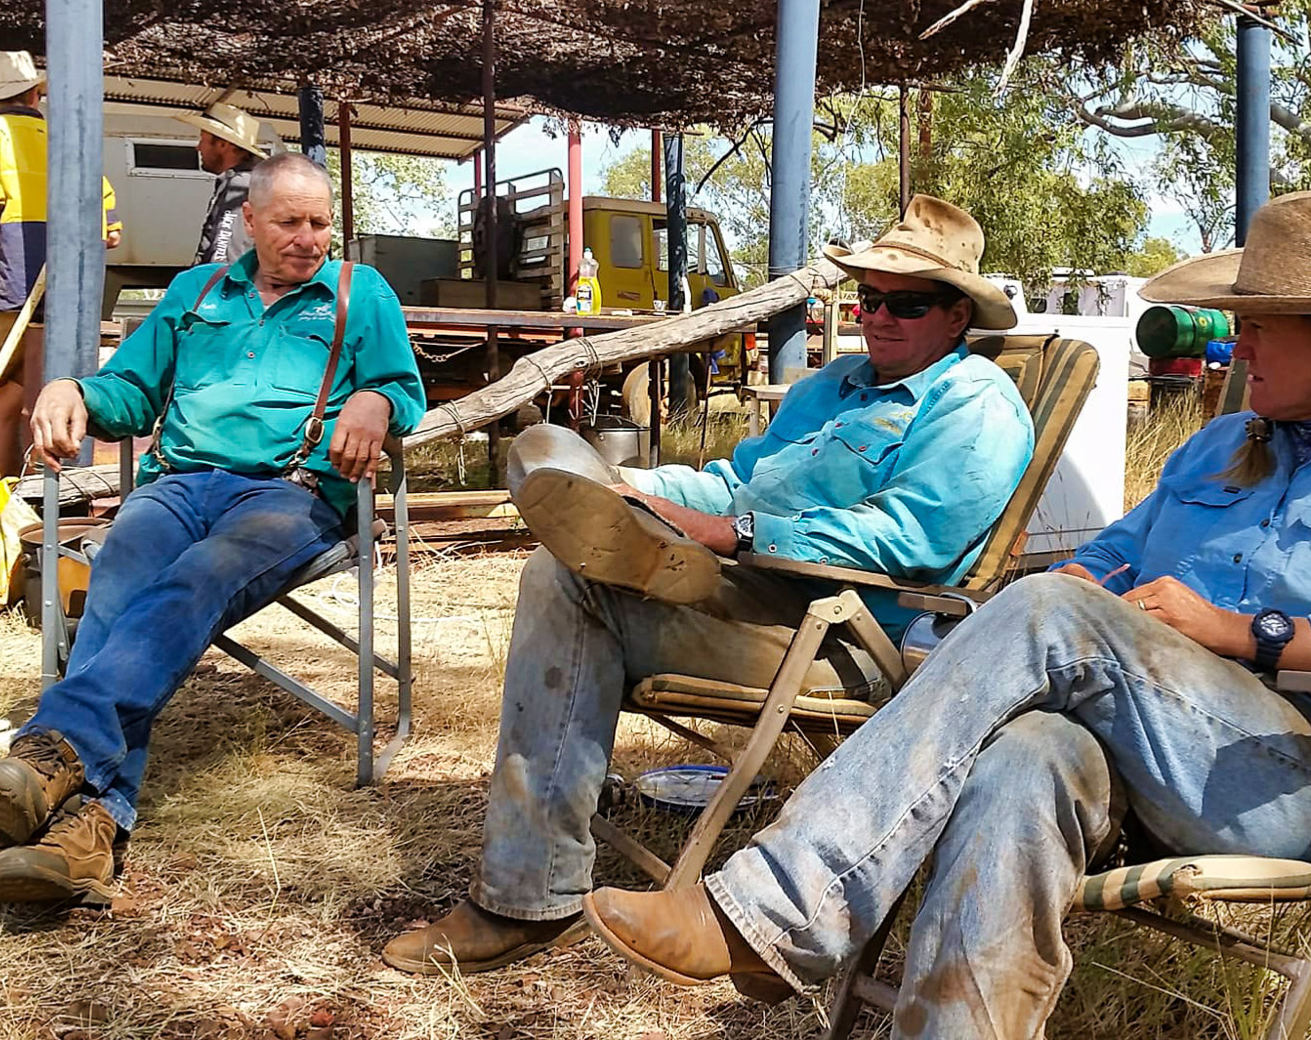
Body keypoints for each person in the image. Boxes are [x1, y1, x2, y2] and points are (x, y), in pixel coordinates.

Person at [576, 191, 1311, 1039]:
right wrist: (1089, 576)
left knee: (1046, 615)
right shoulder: (1218, 446)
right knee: (1022, 755)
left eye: (1257, 326)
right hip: (1152, 753)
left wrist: (1243, 633)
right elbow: (1117, 551)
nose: (1232, 344)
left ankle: (778, 911)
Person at [382, 195, 1035, 975]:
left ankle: (525, 899)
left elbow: (911, 540)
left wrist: (738, 535)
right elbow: (737, 480)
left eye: (908, 302)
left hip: (846, 635)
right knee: (569, 568)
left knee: (570, 588)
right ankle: (533, 883)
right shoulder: (833, 387)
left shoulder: (975, 404)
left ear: (958, 314)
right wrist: (625, 486)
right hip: (752, 595)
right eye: (868, 296)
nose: (880, 315)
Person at [0, 152, 426, 905]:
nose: (309, 238)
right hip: (177, 483)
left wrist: (375, 404)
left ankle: (58, 751)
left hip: (289, 493)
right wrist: (71, 386)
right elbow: (131, 394)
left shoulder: (357, 291)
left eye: (320, 222)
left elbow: (403, 391)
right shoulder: (195, 291)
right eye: (290, 222)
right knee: (120, 568)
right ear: (250, 221)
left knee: (198, 575)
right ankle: (87, 831)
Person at [0, 50, 120, 554]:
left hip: (11, 296)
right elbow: (109, 232)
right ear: (35, 93)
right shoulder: (69, 141)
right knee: (3, 406)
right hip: (63, 302)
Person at [176, 101, 269, 265]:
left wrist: (211, 286)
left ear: (223, 144)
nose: (198, 147)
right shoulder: (250, 181)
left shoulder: (240, 185)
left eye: (202, 139)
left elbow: (224, 254)